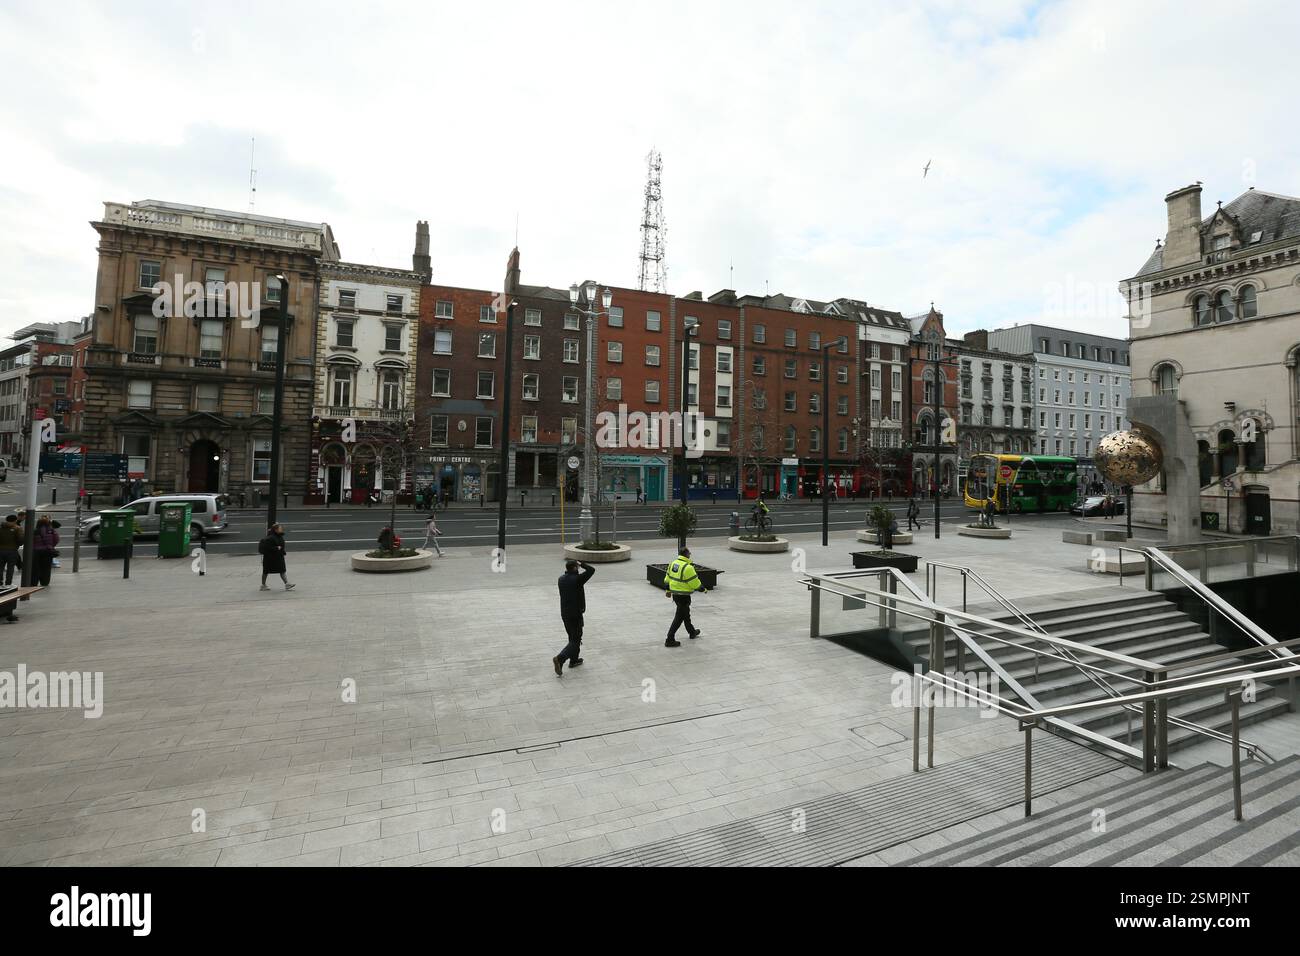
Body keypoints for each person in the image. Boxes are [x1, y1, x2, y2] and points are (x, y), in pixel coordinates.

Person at [552, 559, 595, 675]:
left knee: (573, 638)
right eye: (578, 567)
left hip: (565, 613)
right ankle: (560, 658)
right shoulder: (577, 579)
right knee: (576, 639)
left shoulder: (561, 579)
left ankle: (574, 660)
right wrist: (582, 563)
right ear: (575, 568)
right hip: (575, 614)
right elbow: (592, 570)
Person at [664, 546, 706, 647]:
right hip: (684, 596)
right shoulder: (688, 568)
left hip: (676, 595)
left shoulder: (673, 563)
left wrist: (668, 590)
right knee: (679, 618)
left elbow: (667, 579)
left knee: (685, 614)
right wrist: (703, 589)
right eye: (689, 553)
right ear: (686, 554)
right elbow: (695, 583)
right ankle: (670, 639)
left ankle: (692, 632)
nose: (690, 554)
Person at [259, 523, 294, 591]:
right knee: (266, 571)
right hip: (270, 558)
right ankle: (263, 585)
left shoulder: (278, 536)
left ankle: (287, 584)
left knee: (282, 570)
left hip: (278, 556)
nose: (281, 529)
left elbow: (281, 545)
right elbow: (267, 547)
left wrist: (281, 550)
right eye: (280, 528)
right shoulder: (270, 538)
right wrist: (276, 548)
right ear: (276, 530)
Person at [31, 514, 59, 587]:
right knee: (46, 567)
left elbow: (30, 541)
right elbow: (56, 539)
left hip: (36, 551)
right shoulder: (51, 531)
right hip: (47, 551)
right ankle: (45, 582)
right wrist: (51, 546)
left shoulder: (34, 531)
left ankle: (34, 582)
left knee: (35, 567)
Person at [0, 514, 21, 585]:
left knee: (0, 567)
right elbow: (21, 540)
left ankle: (0, 582)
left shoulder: (1, 527)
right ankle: (8, 583)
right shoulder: (17, 528)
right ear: (15, 520)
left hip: (1, 550)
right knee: (10, 568)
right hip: (12, 550)